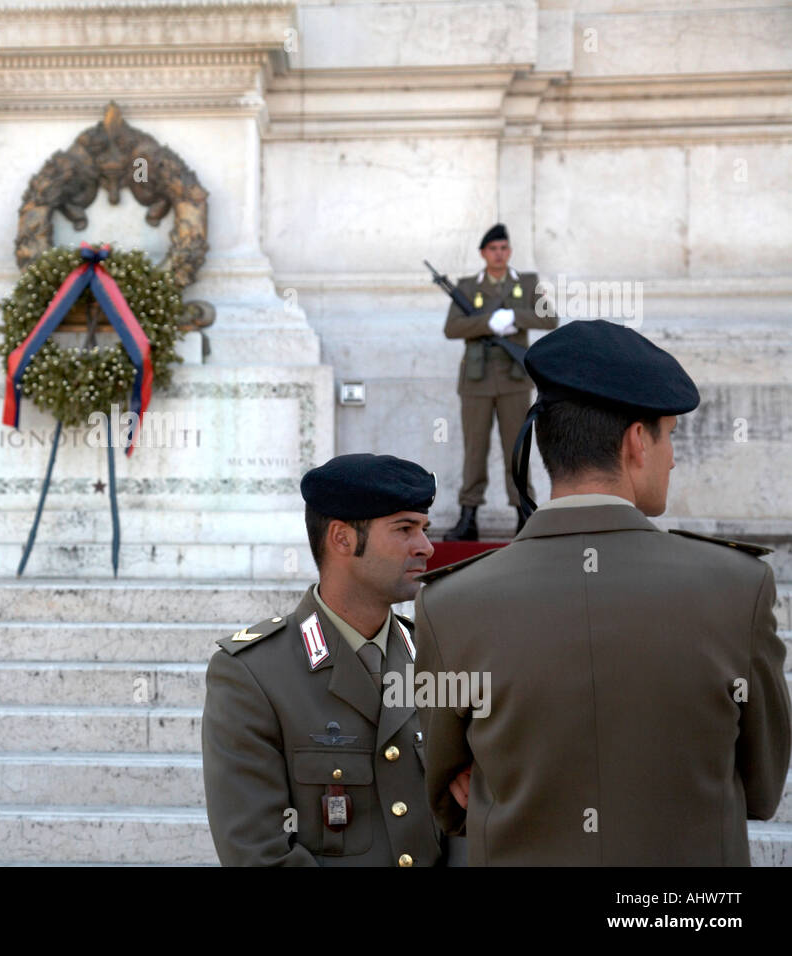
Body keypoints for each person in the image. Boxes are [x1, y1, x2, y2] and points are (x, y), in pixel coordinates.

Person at [414, 319, 790, 865]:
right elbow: (763, 788)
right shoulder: (739, 586)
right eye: (671, 436)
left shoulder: (450, 603)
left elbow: (448, 804)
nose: (674, 458)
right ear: (637, 441)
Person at [202, 453, 461, 866]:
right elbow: (257, 853)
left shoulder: (435, 655)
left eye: (424, 529)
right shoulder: (253, 673)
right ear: (341, 538)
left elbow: (463, 822)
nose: (426, 546)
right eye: (404, 529)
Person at [442, 223, 556, 541]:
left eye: (504, 248)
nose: (499, 254)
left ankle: (524, 515)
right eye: (493, 249)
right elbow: (452, 328)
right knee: (475, 450)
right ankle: (468, 518)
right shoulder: (466, 286)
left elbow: (550, 318)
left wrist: (515, 318)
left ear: (510, 251)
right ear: (483, 253)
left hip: (514, 379)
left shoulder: (527, 283)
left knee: (516, 451)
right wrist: (486, 323)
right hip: (476, 381)